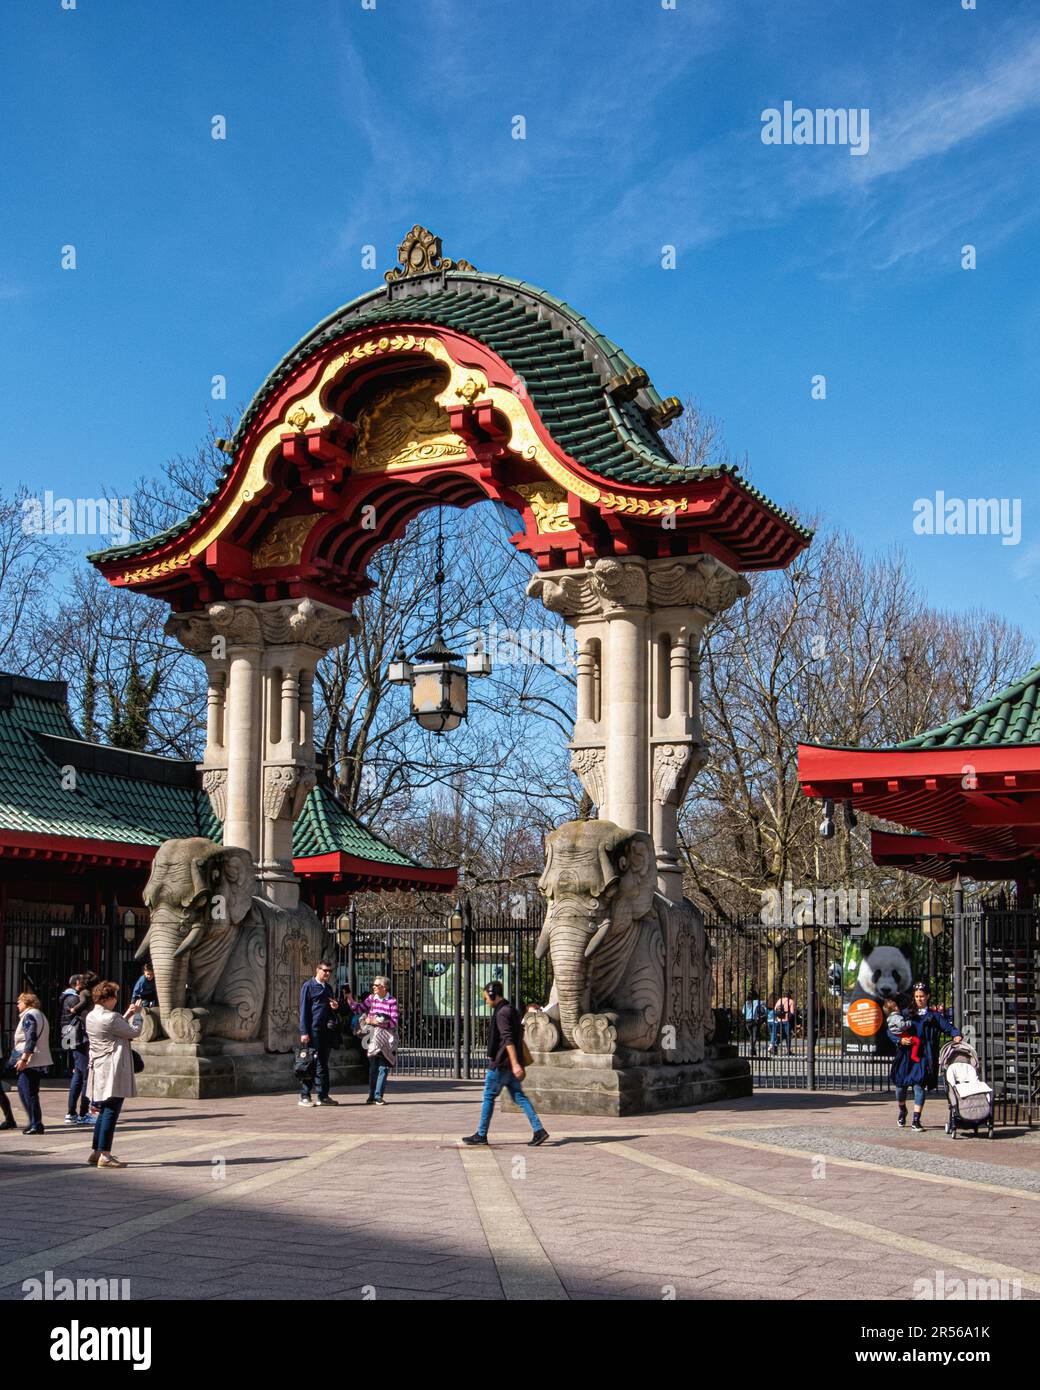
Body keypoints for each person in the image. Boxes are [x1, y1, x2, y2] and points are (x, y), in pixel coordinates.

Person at [462, 981, 549, 1147]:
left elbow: (508, 1039)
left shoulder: (502, 1013)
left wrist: (515, 1063)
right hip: (509, 1064)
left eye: (486, 997)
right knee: (520, 1097)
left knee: (488, 1097)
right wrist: (515, 1063)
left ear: (493, 994)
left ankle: (481, 1134)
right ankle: (539, 1130)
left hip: (501, 1064)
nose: (486, 1001)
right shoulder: (511, 1010)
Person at [888, 981, 961, 1132]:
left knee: (919, 1086)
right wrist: (900, 1040)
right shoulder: (906, 1013)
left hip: (923, 1056)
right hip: (906, 1054)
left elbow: (948, 1027)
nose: (919, 999)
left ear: (927, 996)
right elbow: (889, 1031)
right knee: (900, 1087)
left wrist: (956, 1035)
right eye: (916, 996)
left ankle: (916, 1119)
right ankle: (902, 1110)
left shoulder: (934, 1016)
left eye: (921, 996)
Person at [85, 980, 144, 1168]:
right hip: (113, 1067)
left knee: (103, 1109)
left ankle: (96, 1151)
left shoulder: (91, 1016)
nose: (116, 1000)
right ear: (108, 998)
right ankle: (105, 1154)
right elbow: (134, 1032)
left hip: (99, 1066)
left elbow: (115, 1027)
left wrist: (127, 1014)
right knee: (112, 1109)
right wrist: (138, 1015)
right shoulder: (111, 1018)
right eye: (115, 996)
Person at [346, 977, 398, 1105]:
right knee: (373, 1066)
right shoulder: (371, 998)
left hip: (386, 1038)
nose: (373, 987)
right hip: (373, 1037)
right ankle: (371, 1095)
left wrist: (375, 1021)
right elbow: (358, 1009)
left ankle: (378, 1095)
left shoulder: (392, 1001)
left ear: (384, 987)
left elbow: (394, 1022)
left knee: (383, 1067)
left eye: (376, 985)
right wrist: (349, 998)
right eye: (373, 985)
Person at [299, 960, 340, 1107]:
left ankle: (323, 1096)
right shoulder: (308, 986)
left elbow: (330, 1010)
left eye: (330, 971)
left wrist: (334, 1007)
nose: (327, 973)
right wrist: (304, 1031)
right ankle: (305, 1095)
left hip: (326, 1030)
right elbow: (303, 1009)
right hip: (313, 1030)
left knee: (323, 1064)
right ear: (317, 970)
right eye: (325, 970)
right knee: (310, 1062)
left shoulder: (328, 988)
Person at [12, 992, 52, 1135]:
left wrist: (24, 1059)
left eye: (19, 1002)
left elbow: (31, 1038)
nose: (17, 1004)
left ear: (27, 1002)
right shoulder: (39, 1014)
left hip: (30, 1060)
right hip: (37, 1059)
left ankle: (36, 1123)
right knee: (29, 1091)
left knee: (27, 1092)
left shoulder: (29, 1016)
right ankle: (34, 1122)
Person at [60, 974, 94, 1126]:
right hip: (79, 1039)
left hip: (73, 1039)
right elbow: (83, 1014)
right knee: (86, 1076)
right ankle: (82, 1113)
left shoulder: (67, 997)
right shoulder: (73, 998)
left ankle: (72, 1112)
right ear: (77, 983)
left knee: (79, 1076)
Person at [772, 991, 796, 1056]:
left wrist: (776, 1018)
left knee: (781, 1035)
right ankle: (788, 1051)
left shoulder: (779, 1000)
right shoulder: (791, 1001)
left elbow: (775, 1009)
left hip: (779, 1020)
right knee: (788, 1036)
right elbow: (792, 1012)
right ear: (790, 995)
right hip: (786, 1020)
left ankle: (774, 1047)